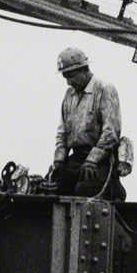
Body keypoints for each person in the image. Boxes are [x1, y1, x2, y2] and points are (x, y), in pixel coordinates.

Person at [51, 46, 125, 201]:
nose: (68, 82)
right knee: (51, 190)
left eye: (71, 76)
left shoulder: (104, 90)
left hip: (100, 160)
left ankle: (113, 187)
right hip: (75, 158)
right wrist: (59, 160)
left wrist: (92, 160)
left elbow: (111, 132)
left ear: (84, 70)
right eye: (65, 77)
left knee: (84, 194)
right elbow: (62, 131)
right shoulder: (69, 95)